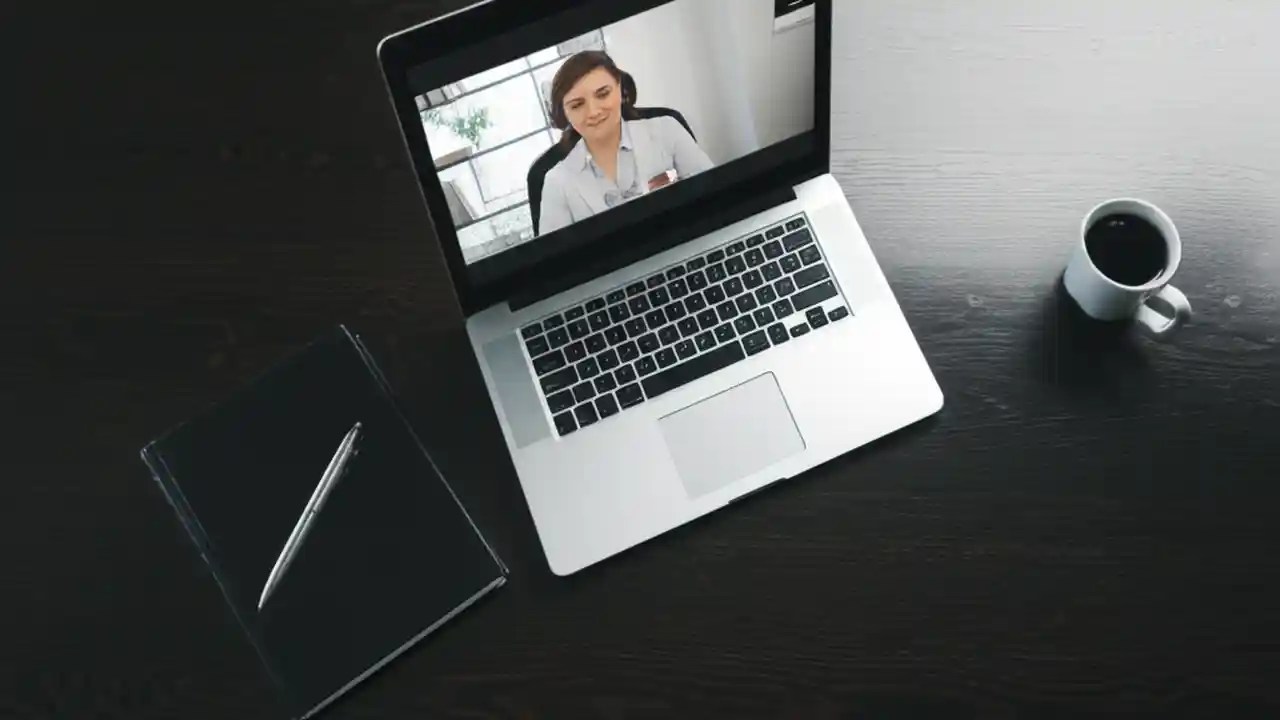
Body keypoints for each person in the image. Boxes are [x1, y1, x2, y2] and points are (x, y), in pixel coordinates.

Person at [538, 50, 714, 235]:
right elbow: (558, 259)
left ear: (620, 89)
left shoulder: (667, 130)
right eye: (577, 105)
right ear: (565, 113)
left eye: (603, 94)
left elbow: (714, 197)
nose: (593, 111)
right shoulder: (556, 182)